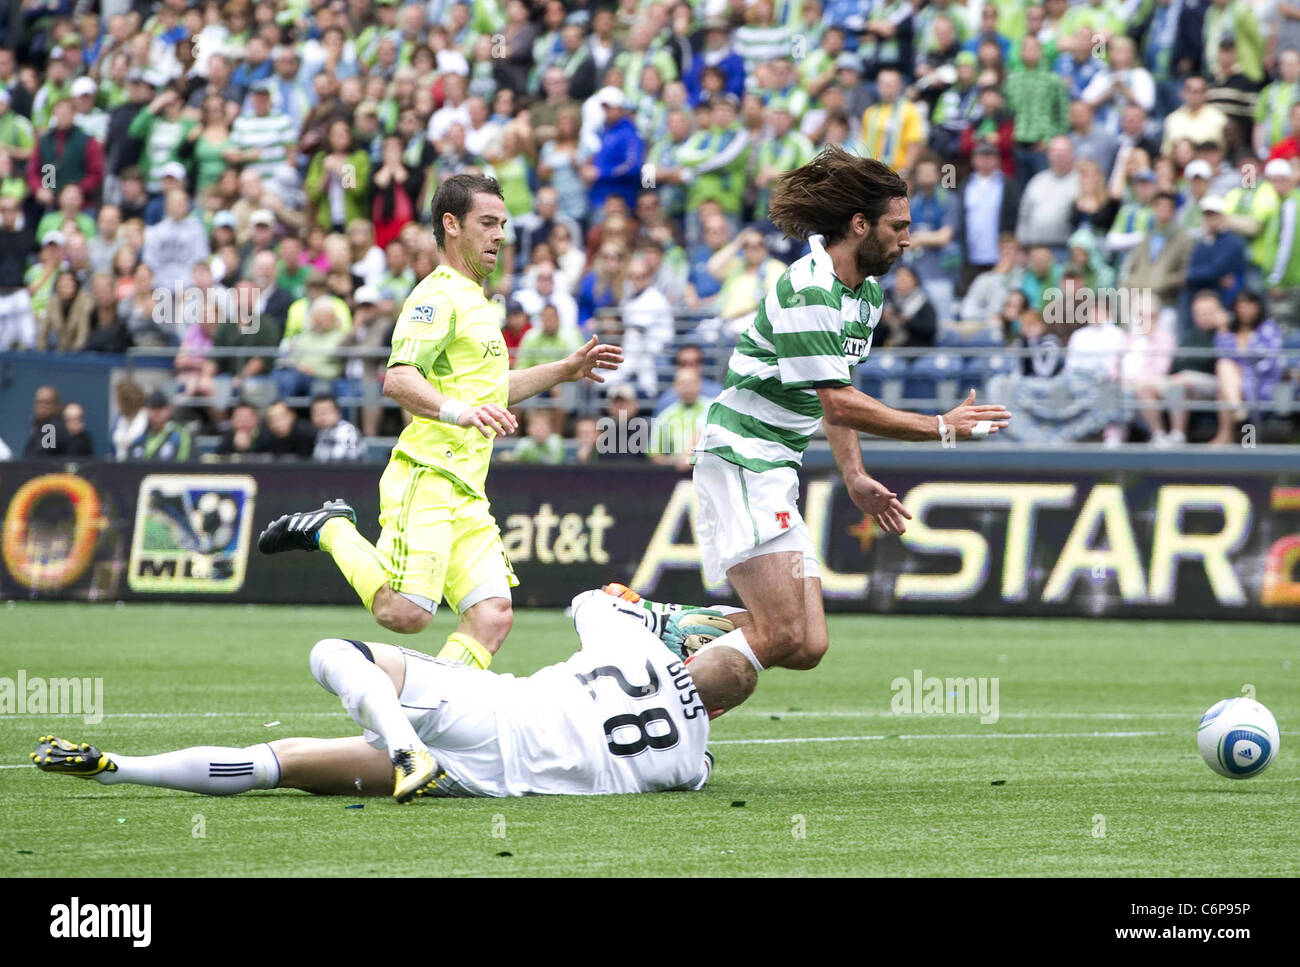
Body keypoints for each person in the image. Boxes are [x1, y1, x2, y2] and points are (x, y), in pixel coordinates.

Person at [631, 147, 1011, 708]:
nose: (908, 240)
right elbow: (839, 404)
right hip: (742, 454)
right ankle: (648, 722)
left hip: (774, 463)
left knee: (808, 644)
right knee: (781, 633)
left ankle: (666, 624)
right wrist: (941, 427)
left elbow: (837, 394)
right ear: (860, 225)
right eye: (898, 227)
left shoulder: (866, 294)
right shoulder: (811, 289)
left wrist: (854, 474)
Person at [258, 175, 621, 673]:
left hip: (469, 489)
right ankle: (333, 529)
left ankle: (432, 720)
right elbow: (398, 379)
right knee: (404, 613)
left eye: (503, 225)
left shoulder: (479, 300)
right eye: (487, 223)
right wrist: (459, 411)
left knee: (492, 617)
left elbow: (491, 392)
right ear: (451, 225)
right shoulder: (437, 296)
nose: (500, 236)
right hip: (428, 475)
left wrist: (566, 368)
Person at [32, 591, 751, 802]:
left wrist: (666, 615)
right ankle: (120, 765)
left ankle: (405, 745)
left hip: (492, 704)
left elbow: (592, 597)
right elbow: (704, 751)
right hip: (488, 780)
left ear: (688, 653)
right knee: (281, 764)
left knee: (332, 653)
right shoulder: (691, 762)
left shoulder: (633, 646)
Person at [126, 390, 192, 461]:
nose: (157, 412)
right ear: (146, 410)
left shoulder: (181, 436)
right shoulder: (139, 439)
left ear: (169, 409)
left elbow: (184, 465)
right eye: (153, 408)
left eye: (161, 408)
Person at [310, 394, 368, 462]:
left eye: (324, 412)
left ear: (338, 412)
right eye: (316, 413)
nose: (321, 417)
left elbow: (340, 464)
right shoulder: (322, 433)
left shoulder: (347, 431)